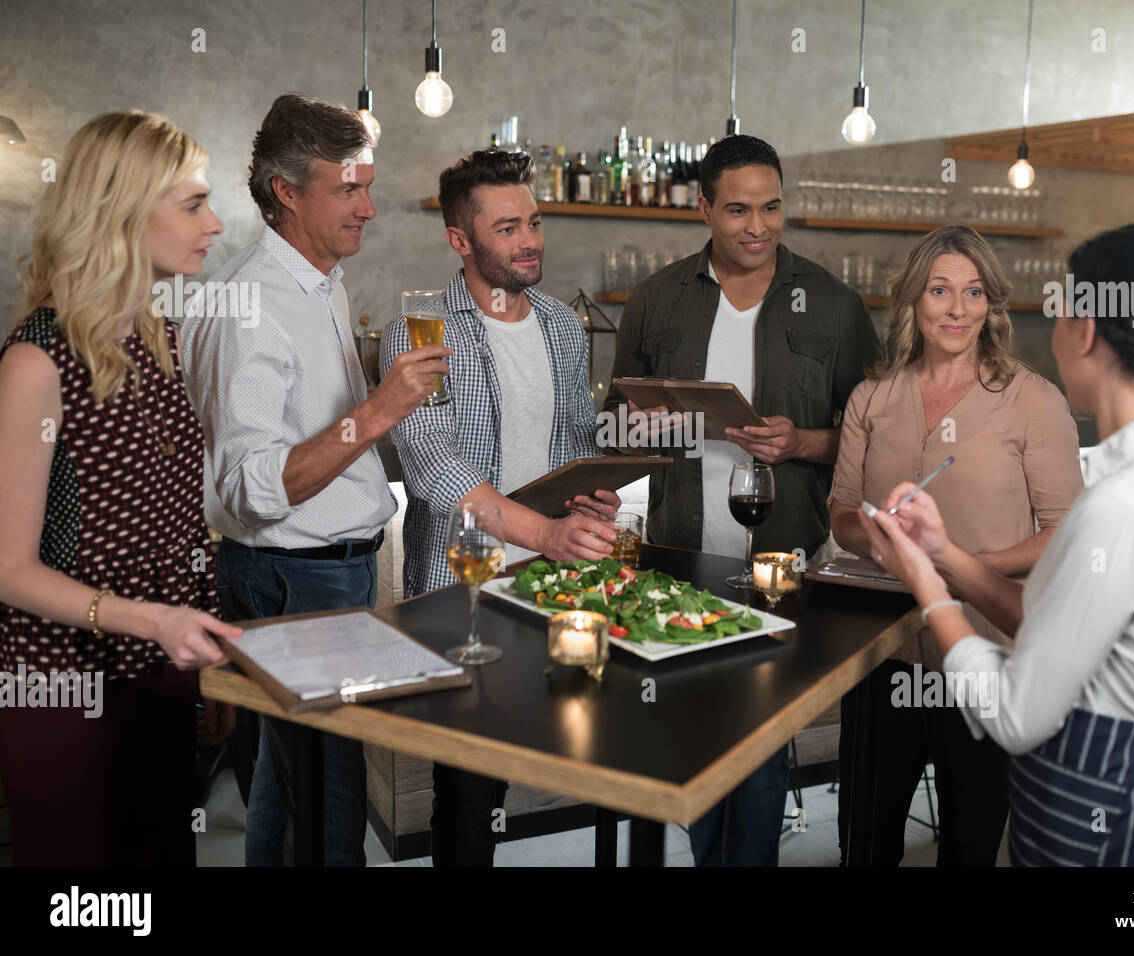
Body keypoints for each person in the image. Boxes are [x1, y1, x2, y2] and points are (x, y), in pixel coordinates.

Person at [858, 223, 1134, 866]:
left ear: (1087, 329)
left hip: (1106, 819)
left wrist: (923, 579)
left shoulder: (1120, 507)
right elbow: (1056, 625)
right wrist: (947, 554)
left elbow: (1014, 714)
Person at [182, 92, 450, 867]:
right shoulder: (251, 308)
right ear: (287, 193)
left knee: (283, 789)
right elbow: (253, 486)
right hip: (294, 580)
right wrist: (377, 413)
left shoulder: (318, 278)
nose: (368, 207)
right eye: (347, 188)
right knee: (331, 809)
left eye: (366, 185)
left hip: (321, 575)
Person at [606, 134, 880, 866]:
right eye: (737, 210)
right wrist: (644, 427)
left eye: (771, 207)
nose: (757, 226)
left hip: (781, 562)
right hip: (680, 557)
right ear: (702, 209)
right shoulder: (657, 300)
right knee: (697, 741)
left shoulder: (832, 303)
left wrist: (802, 444)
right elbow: (613, 425)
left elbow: (870, 440)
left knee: (761, 743)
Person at [0, 111, 240, 865]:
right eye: (194, 204)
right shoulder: (37, 361)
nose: (217, 222)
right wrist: (155, 623)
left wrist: (201, 656)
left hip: (159, 673)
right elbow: (7, 570)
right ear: (123, 213)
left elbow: (177, 526)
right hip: (62, 686)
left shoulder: (160, 340)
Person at [379, 148, 620, 866]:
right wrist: (545, 530)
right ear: (461, 240)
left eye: (535, 222)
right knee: (468, 782)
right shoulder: (421, 331)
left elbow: (575, 438)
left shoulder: (560, 325)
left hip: (552, 587)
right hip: (464, 590)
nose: (531, 241)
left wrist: (596, 492)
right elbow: (432, 467)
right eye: (509, 227)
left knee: (545, 755)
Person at [828, 224, 1082, 866]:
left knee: (969, 842)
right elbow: (840, 515)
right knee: (864, 836)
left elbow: (1065, 536)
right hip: (883, 655)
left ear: (991, 304)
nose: (957, 309)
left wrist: (956, 569)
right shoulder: (871, 398)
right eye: (940, 290)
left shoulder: (1034, 401)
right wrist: (879, 536)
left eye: (973, 293)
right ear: (914, 298)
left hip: (985, 656)